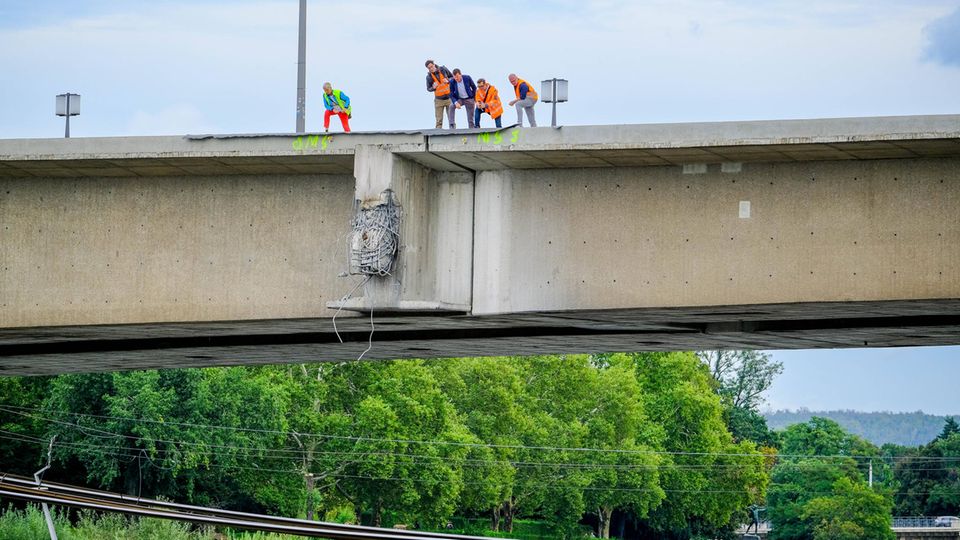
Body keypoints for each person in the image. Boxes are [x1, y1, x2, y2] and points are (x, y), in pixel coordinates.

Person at [424, 59, 455, 129]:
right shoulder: (428, 77)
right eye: (429, 68)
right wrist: (433, 87)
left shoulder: (443, 69)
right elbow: (428, 89)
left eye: (431, 66)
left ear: (434, 64)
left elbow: (453, 77)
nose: (431, 69)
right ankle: (437, 134)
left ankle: (453, 132)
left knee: (451, 119)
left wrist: (448, 80)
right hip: (438, 100)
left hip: (449, 98)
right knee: (439, 120)